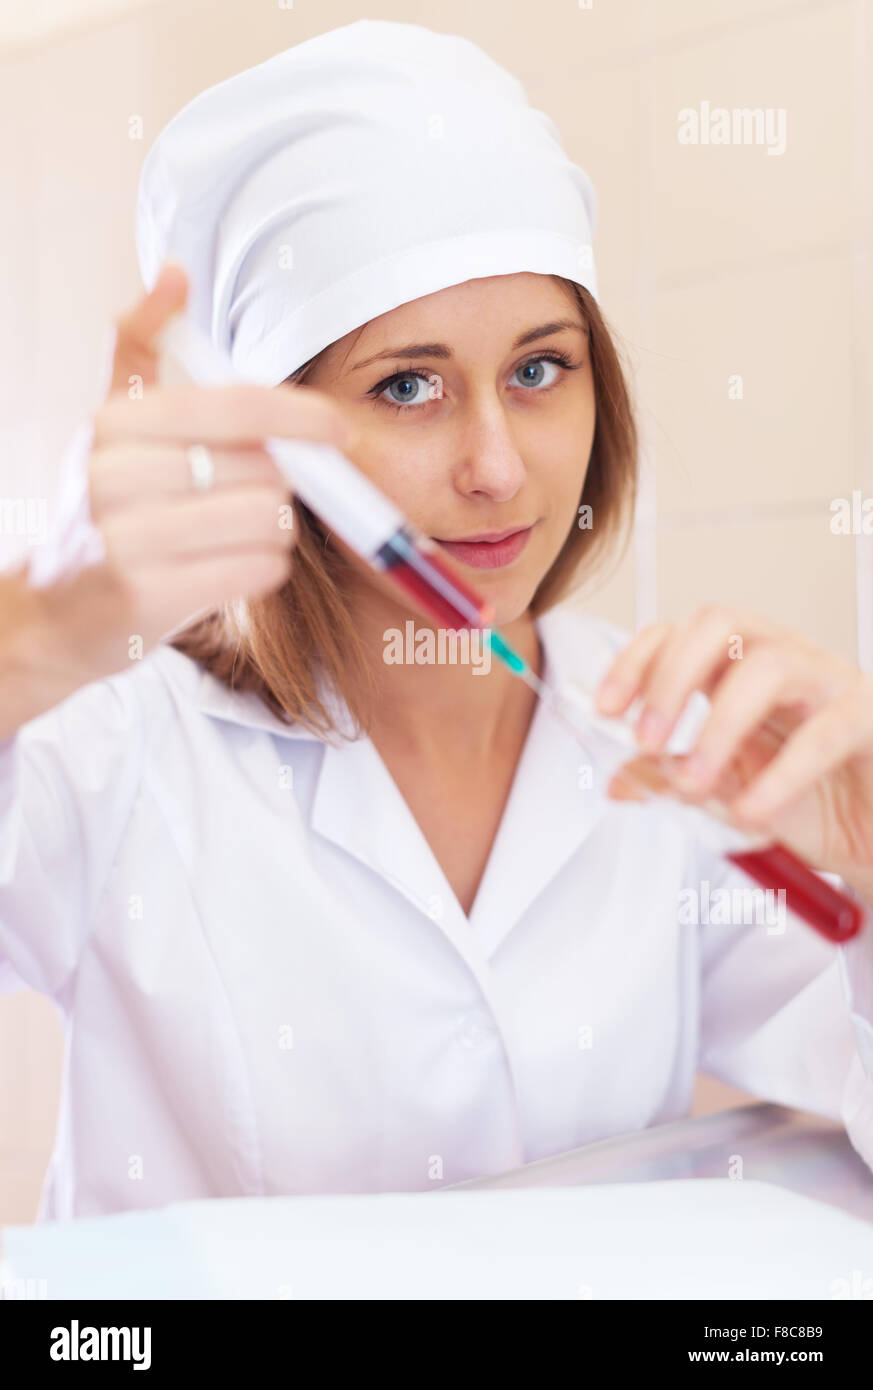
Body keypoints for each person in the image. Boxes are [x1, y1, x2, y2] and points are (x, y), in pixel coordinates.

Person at [3, 19, 873, 1222]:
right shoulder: (108, 743)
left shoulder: (656, 731)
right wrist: (25, 642)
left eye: (539, 368)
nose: (497, 468)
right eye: (407, 384)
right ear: (278, 443)